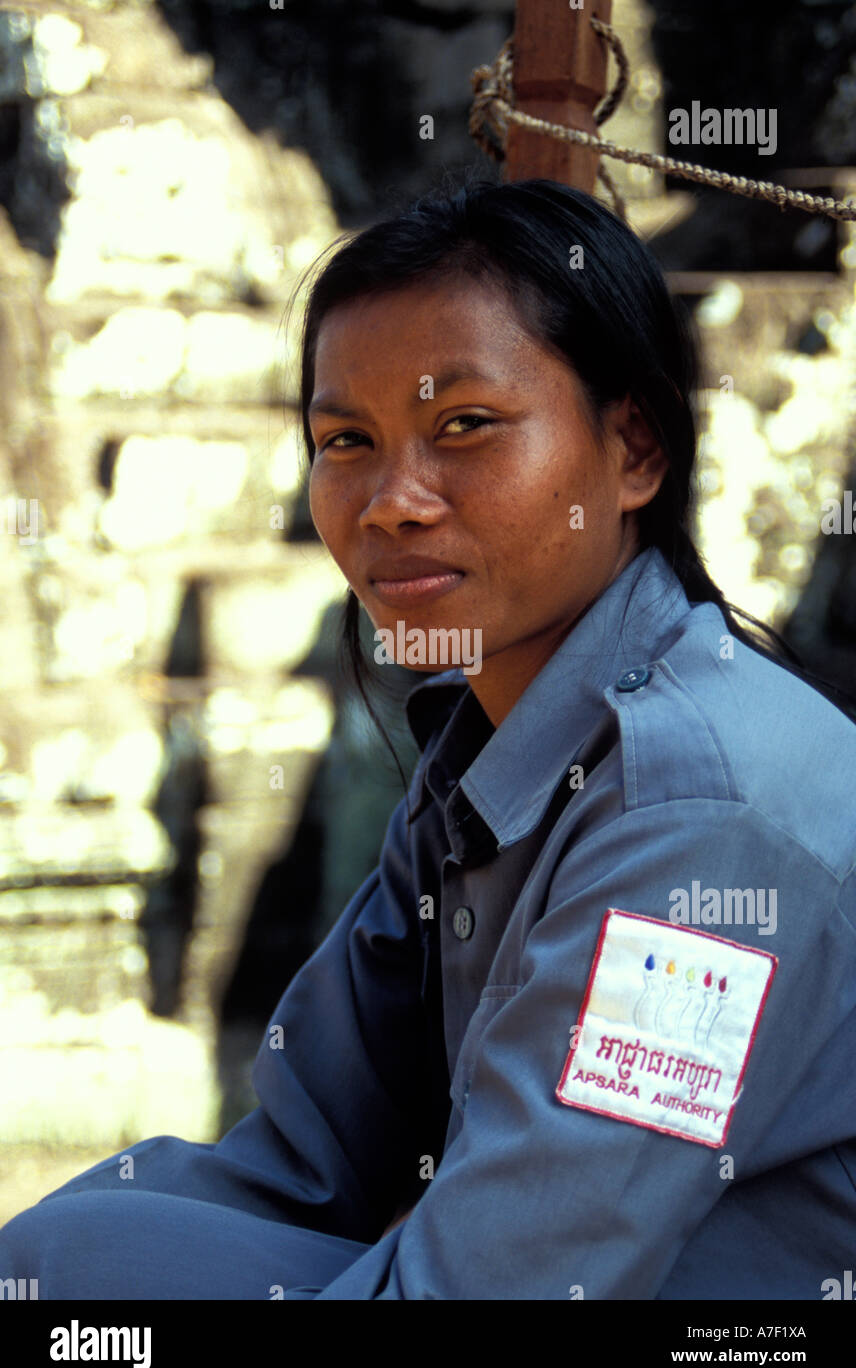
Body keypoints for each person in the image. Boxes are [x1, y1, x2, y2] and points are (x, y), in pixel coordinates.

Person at [2, 178, 855, 1301]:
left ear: (633, 448)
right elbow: (306, 1158)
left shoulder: (694, 814)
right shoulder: (498, 744)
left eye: (464, 426)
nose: (391, 500)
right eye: (345, 439)